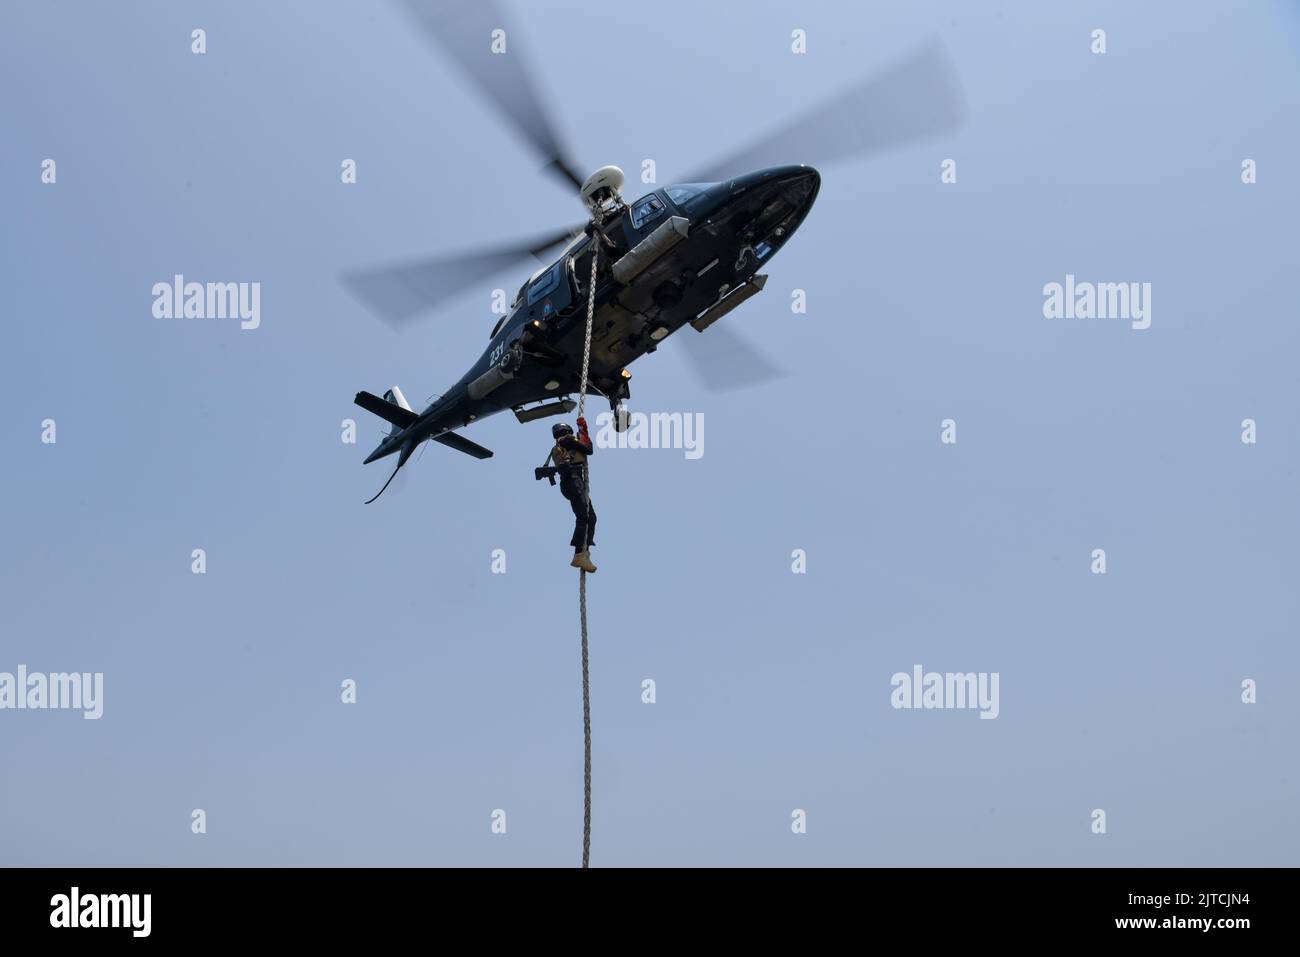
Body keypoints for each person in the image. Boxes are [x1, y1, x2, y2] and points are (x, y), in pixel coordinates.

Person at [550, 418, 597, 572]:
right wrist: (583, 431)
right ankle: (579, 554)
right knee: (584, 515)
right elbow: (588, 449)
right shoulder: (567, 440)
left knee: (591, 517)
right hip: (573, 479)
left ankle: (584, 552)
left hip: (574, 481)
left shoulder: (560, 445)